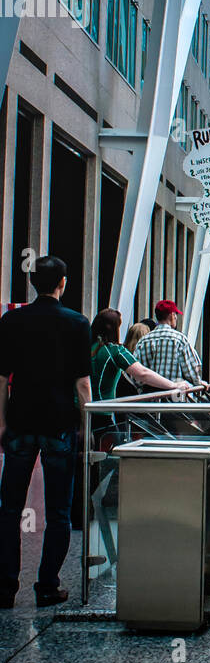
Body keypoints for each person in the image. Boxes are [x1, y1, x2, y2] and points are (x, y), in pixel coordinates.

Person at [0, 257, 91, 608]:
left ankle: (6, 587)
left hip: (21, 421)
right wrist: (86, 425)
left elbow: (2, 379)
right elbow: (82, 384)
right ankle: (48, 585)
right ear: (63, 283)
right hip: (59, 424)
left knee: (9, 509)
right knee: (58, 512)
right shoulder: (77, 324)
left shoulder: (12, 321)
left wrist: (3, 422)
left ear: (33, 282)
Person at [90, 310, 194, 401]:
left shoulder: (88, 347)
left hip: (82, 406)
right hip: (102, 408)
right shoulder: (114, 350)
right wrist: (173, 385)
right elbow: (142, 373)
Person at [134, 300, 204, 386]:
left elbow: (135, 374)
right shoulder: (179, 339)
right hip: (175, 396)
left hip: (149, 396)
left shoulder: (143, 341)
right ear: (171, 316)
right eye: (175, 315)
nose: (176, 318)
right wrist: (199, 383)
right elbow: (191, 370)